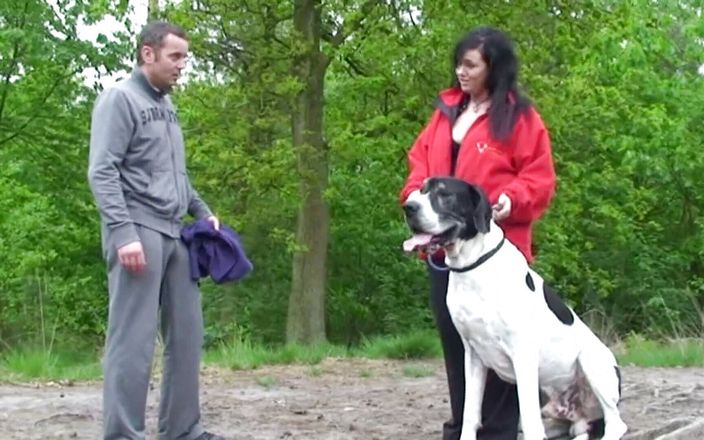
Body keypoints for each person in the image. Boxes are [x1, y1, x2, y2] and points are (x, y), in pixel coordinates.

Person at [399, 27, 557, 440]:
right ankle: (463, 428)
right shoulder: (446, 110)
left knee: (507, 345)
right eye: (459, 63)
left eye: (470, 64)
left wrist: (510, 199)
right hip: (445, 249)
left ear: (494, 68)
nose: (460, 71)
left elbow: (539, 179)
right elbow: (420, 160)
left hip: (494, 252)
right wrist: (415, 194)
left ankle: (502, 432)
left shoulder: (520, 119)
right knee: (459, 344)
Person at [88, 21, 225, 440]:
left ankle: (184, 430)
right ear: (148, 54)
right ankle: (123, 434)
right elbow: (102, 172)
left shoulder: (167, 107)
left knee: (187, 336)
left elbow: (175, 175)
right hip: (137, 230)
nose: (182, 66)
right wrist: (123, 233)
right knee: (134, 341)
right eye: (176, 57)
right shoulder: (119, 99)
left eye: (185, 57)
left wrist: (201, 212)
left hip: (175, 234)